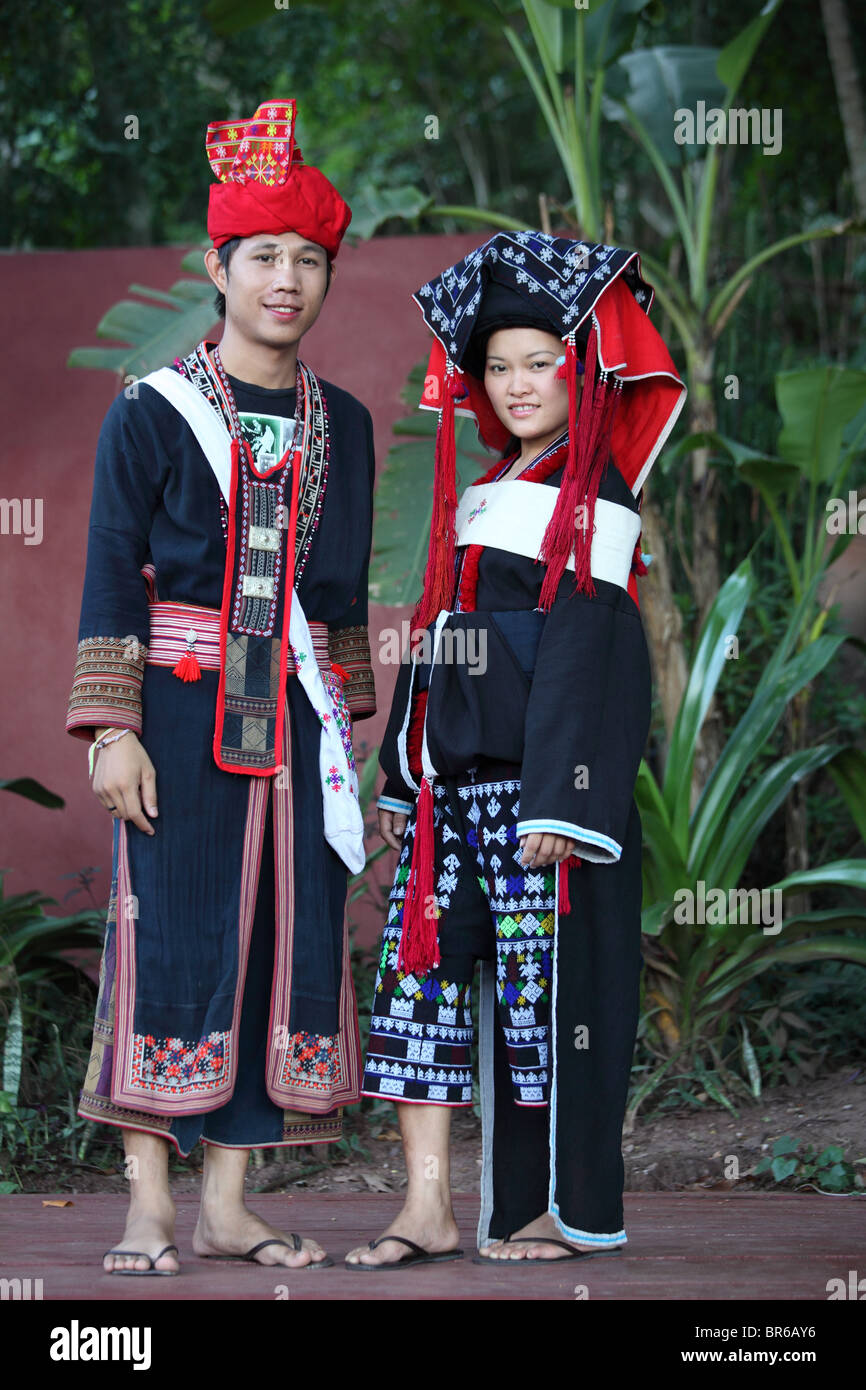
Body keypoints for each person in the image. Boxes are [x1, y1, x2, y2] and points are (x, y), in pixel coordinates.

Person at [66, 98, 377, 1274]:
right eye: (264, 258)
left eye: (308, 260)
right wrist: (112, 729)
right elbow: (108, 572)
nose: (287, 280)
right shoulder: (150, 412)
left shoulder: (338, 424)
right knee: (170, 936)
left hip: (295, 727)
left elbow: (340, 609)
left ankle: (229, 1207)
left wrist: (356, 762)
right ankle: (148, 1206)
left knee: (276, 947)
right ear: (218, 267)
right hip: (180, 713)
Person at [346, 231, 686, 1269]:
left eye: (539, 361)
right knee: (422, 993)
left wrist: (559, 802)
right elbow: (442, 637)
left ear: (578, 369)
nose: (516, 382)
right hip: (458, 801)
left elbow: (590, 655)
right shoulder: (489, 485)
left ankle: (546, 1207)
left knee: (545, 1014)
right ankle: (424, 1205)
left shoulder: (599, 495)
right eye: (497, 365)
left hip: (544, 812)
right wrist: (405, 773)